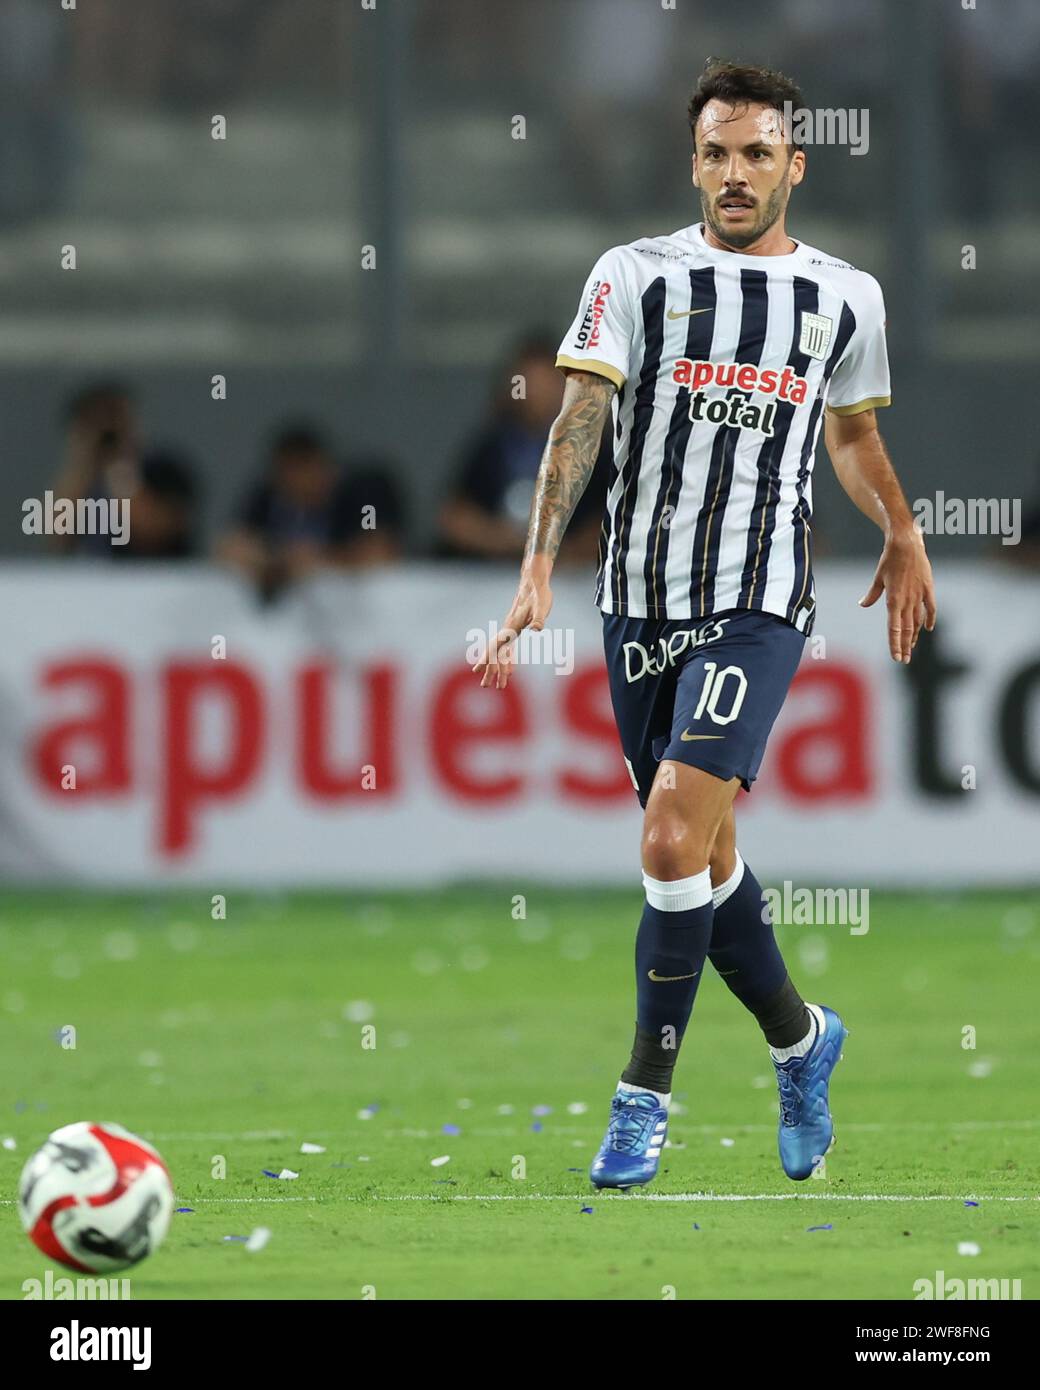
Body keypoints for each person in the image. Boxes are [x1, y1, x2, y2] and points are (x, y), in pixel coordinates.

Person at [473, 61, 936, 1191]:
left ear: (794, 164)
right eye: (717, 153)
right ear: (694, 163)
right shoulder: (632, 275)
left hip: (758, 602)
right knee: (703, 864)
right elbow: (577, 422)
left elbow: (849, 435)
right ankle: (799, 1038)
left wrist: (903, 531)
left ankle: (641, 1101)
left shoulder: (843, 296)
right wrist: (537, 564)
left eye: (757, 154)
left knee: (670, 842)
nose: (735, 174)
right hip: (636, 600)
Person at [438, 337, 607, 565]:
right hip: (494, 580)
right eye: (529, 383)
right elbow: (454, 518)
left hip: (570, 585)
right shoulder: (491, 448)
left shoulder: (594, 449)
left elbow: (616, 522)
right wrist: (503, 541)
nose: (537, 394)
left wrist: (568, 552)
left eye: (547, 382)